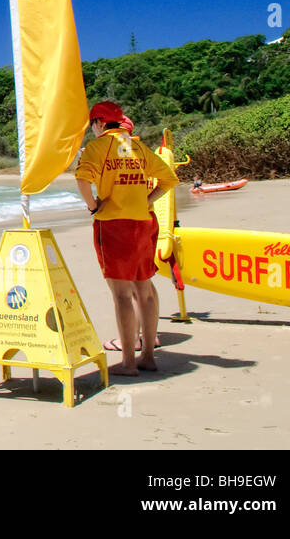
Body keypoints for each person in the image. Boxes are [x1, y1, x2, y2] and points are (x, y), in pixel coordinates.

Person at [75, 100, 177, 376]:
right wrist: (146, 200)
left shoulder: (97, 148)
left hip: (113, 226)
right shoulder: (138, 147)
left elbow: (82, 180)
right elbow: (169, 180)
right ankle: (148, 356)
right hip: (143, 223)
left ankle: (129, 362)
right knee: (144, 290)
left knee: (121, 294)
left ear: (98, 123)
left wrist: (93, 206)